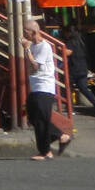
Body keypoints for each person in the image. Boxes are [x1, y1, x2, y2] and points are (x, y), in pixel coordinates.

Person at [23, 19, 72, 161]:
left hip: (45, 86)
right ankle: (61, 137)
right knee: (33, 117)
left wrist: (26, 49)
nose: (23, 34)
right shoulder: (33, 47)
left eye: (25, 31)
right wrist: (29, 52)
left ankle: (45, 151)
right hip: (36, 86)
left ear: (33, 32)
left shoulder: (44, 46)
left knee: (42, 120)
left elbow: (35, 66)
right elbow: (31, 66)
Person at [64, 23, 95, 116]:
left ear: (69, 33)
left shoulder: (71, 42)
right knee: (83, 88)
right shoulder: (81, 40)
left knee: (68, 88)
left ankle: (70, 107)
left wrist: (59, 49)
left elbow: (67, 52)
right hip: (82, 67)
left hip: (74, 68)